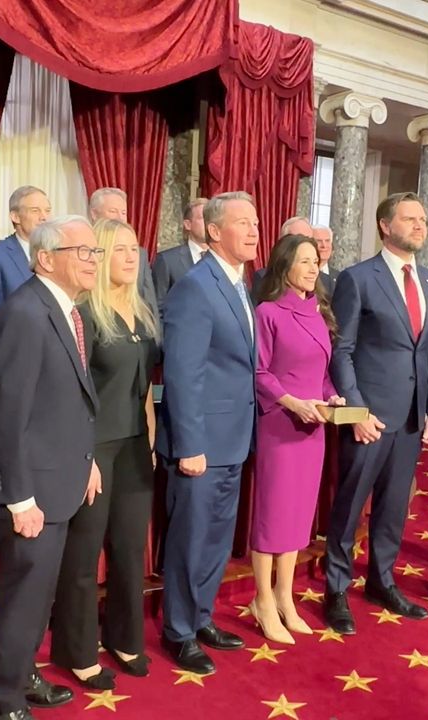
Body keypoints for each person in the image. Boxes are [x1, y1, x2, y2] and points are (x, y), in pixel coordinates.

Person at [0, 215, 103, 720]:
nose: (94, 260)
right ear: (46, 259)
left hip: (58, 479)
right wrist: (19, 498)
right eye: (83, 251)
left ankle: (22, 676)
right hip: (29, 492)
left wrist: (86, 461)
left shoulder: (64, 310)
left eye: (95, 252)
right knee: (23, 600)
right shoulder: (24, 313)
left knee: (39, 596)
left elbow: (66, 403)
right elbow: (8, 413)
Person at [323, 192, 428, 635]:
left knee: (394, 507)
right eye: (410, 219)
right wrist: (357, 410)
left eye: (423, 219)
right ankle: (336, 589)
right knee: (350, 506)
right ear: (385, 226)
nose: (420, 225)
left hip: (411, 418)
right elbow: (342, 350)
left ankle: (381, 581)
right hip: (369, 419)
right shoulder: (358, 278)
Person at [51, 219, 159, 689]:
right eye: (120, 250)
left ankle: (124, 637)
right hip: (93, 448)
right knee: (83, 551)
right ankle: (76, 649)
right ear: (99, 257)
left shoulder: (141, 313)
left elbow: (144, 390)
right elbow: (70, 395)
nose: (131, 258)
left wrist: (149, 441)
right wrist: (83, 456)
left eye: (135, 250)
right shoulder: (84, 315)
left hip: (134, 446)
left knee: (130, 549)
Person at [155, 191, 259, 675]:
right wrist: (190, 445)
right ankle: (177, 631)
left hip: (233, 438)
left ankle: (201, 618)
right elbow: (183, 373)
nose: (255, 230)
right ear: (214, 232)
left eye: (255, 221)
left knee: (216, 538)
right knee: (190, 540)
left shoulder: (239, 283)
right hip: (200, 445)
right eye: (244, 222)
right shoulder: (196, 287)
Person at [250, 234, 343, 645]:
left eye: (315, 261)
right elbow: (259, 372)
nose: (312, 268)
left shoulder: (318, 313)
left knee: (297, 517)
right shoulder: (268, 312)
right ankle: (262, 599)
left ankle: (285, 598)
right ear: (284, 265)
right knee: (273, 516)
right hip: (280, 425)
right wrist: (291, 402)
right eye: (304, 260)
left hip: (313, 429)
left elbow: (321, 375)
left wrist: (331, 397)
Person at [0, 186, 51, 331]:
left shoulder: (56, 254)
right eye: (35, 210)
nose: (44, 217)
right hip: (15, 343)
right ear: (15, 217)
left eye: (47, 210)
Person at [89, 187, 158, 320]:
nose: (120, 218)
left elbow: (149, 301)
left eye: (123, 212)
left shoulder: (140, 254)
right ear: (94, 214)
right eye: (113, 211)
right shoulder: (83, 252)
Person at [151, 197, 208, 315]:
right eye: (203, 218)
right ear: (188, 224)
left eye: (211, 217)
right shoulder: (167, 260)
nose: (209, 222)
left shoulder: (225, 259)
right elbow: (156, 308)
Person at [251, 216, 315, 289]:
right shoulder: (263, 278)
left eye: (309, 239)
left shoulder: (323, 281)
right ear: (283, 242)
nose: (304, 244)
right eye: (297, 239)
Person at [314, 226, 336, 295]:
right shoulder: (304, 275)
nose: (324, 245)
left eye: (327, 241)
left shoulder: (339, 277)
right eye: (319, 241)